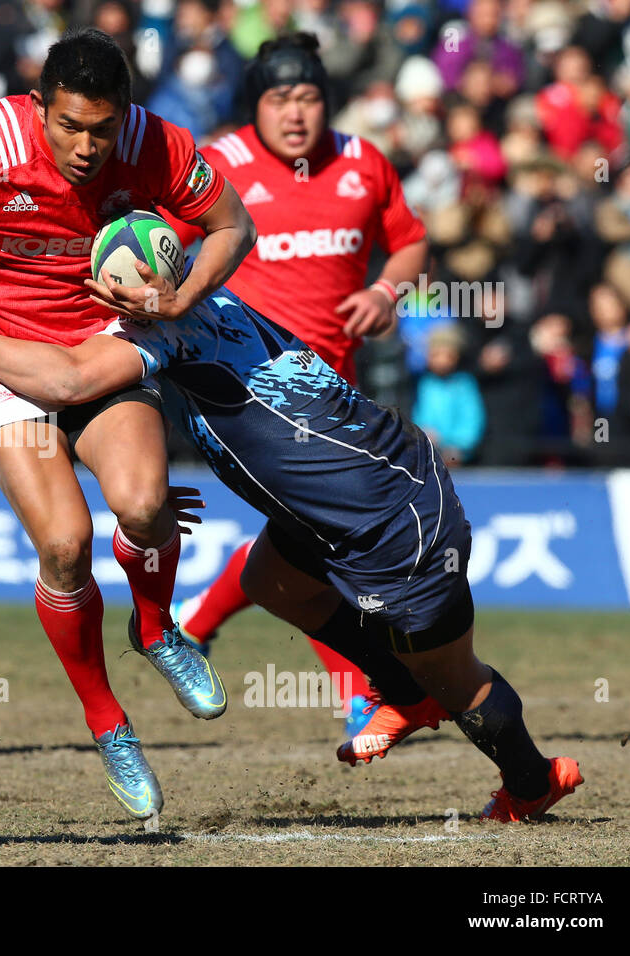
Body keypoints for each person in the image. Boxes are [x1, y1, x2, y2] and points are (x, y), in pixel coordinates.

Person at [0, 285, 583, 823]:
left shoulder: (166, 332)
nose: (102, 298)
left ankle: (531, 783)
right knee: (271, 580)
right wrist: (147, 491)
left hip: (393, 520)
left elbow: (69, 381)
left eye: (110, 282)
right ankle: (405, 691)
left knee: (456, 677)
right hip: (342, 504)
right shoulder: (217, 301)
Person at [0, 28, 254, 820]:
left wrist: (182, 296)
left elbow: (234, 226)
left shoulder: (156, 143)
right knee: (65, 545)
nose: (87, 146)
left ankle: (157, 627)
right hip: (5, 363)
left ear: (125, 115)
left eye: (103, 128)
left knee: (142, 506)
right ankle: (108, 724)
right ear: (39, 107)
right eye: (70, 126)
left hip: (104, 349)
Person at [162, 33, 435, 754]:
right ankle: (363, 695)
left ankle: (197, 620)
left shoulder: (363, 163)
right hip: (251, 397)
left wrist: (385, 288)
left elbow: (410, 242)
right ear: (256, 105)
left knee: (305, 547)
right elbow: (158, 241)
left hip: (335, 400)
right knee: (321, 542)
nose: (295, 113)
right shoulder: (220, 163)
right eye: (279, 98)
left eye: (308, 97)